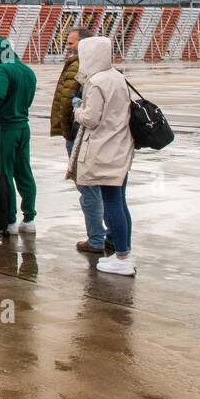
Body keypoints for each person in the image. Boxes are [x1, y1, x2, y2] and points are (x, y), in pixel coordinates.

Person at [72, 35, 136, 275]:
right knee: (121, 201)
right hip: (121, 146)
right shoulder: (117, 77)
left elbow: (91, 118)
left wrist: (77, 109)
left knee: (111, 204)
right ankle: (126, 251)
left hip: (105, 149)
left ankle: (121, 258)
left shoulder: (97, 82)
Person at [53, 28, 110, 254]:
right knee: (100, 189)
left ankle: (96, 239)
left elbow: (70, 104)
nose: (68, 45)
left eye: (71, 42)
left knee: (88, 188)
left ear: (84, 45)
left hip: (79, 133)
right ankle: (107, 236)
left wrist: (67, 130)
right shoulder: (95, 69)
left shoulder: (79, 67)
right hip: (91, 135)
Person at [0, 35, 38, 234]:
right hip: (23, 126)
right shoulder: (28, 71)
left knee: (5, 174)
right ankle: (29, 219)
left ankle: (9, 221)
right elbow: (24, 98)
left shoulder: (2, 69)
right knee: (24, 173)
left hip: (5, 129)